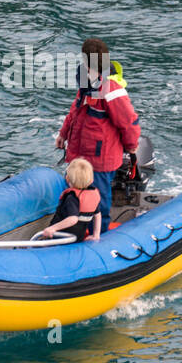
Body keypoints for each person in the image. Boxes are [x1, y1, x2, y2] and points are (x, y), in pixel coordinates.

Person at [56, 38, 140, 224]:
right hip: (79, 154)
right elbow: (76, 110)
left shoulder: (111, 89)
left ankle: (99, 233)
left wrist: (132, 147)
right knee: (71, 193)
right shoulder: (87, 83)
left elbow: (128, 122)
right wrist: (63, 133)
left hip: (101, 158)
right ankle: (71, 226)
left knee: (99, 202)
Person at [41, 158, 101, 242]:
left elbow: (73, 219)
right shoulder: (92, 195)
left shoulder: (72, 198)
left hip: (61, 238)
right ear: (91, 180)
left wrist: (52, 228)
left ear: (67, 179)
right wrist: (96, 235)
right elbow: (97, 215)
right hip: (78, 238)